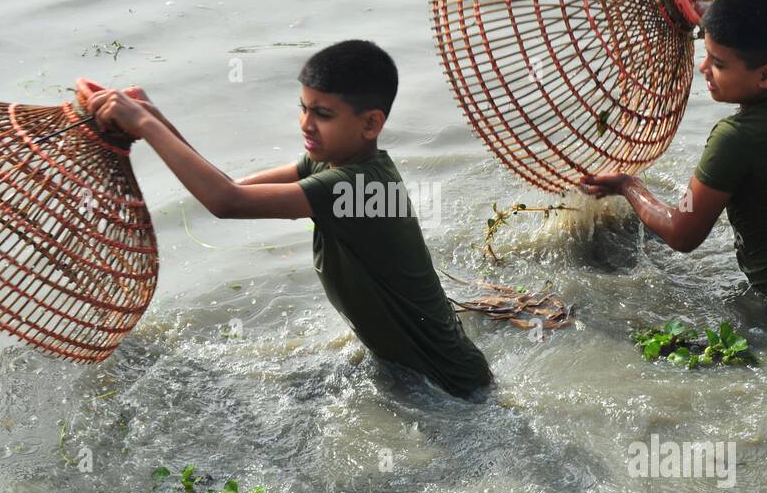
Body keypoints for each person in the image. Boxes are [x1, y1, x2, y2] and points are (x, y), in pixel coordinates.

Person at [80, 39, 493, 395]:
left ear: (371, 124)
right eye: (303, 108)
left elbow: (227, 202)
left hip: (450, 386)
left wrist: (145, 125)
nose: (306, 124)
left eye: (323, 114)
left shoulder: (357, 188)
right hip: (417, 372)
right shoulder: (328, 167)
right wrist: (154, 116)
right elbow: (229, 186)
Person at [579, 0, 767, 332]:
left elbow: (681, 233)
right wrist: (717, 13)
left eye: (718, 63)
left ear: (766, 75)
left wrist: (629, 186)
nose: (703, 67)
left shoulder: (735, 137)